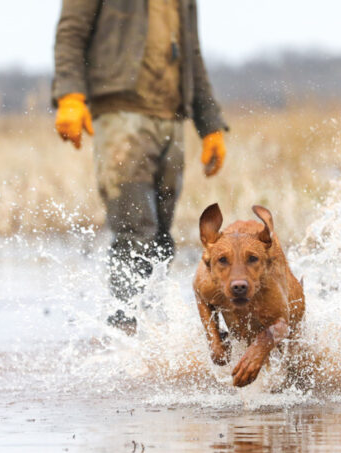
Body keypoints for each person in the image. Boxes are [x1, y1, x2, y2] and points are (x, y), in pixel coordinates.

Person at [52, 0, 228, 334]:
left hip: (171, 117)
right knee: (135, 231)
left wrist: (210, 125)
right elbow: (71, 34)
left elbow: (192, 52)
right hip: (121, 114)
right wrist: (70, 95)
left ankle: (153, 332)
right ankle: (124, 331)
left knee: (161, 237)